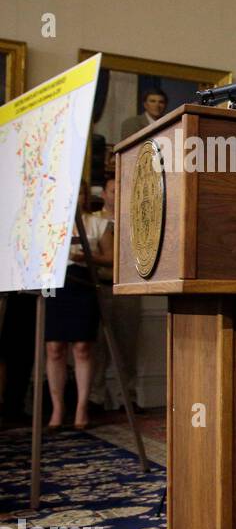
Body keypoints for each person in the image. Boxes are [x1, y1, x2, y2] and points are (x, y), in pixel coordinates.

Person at [44, 183, 109, 431]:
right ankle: (58, 407)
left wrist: (86, 257)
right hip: (56, 284)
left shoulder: (97, 223)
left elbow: (111, 258)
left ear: (85, 196)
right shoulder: (50, 223)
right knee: (54, 347)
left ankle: (81, 406)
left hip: (83, 284)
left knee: (82, 346)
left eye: (79, 192)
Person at [88, 176, 142, 412]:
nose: (116, 194)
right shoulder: (92, 221)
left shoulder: (134, 222)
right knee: (97, 346)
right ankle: (95, 397)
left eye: (121, 190)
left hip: (127, 288)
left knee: (127, 346)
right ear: (104, 194)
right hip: (99, 286)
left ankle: (126, 398)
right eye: (112, 190)